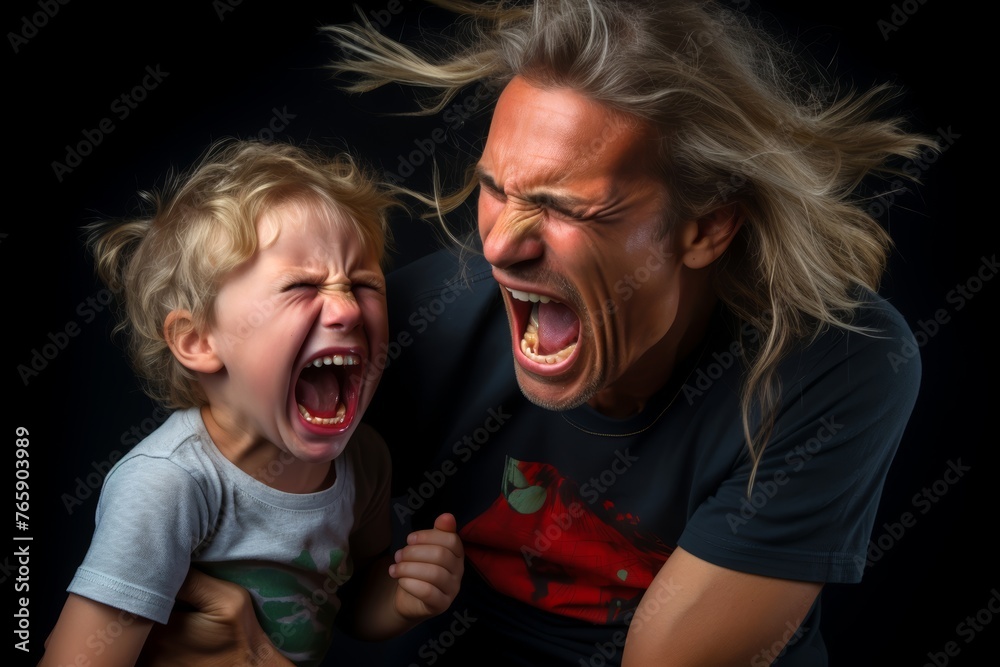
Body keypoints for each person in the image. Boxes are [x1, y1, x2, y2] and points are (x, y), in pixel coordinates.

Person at [139, 1, 937, 664]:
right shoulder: (421, 326)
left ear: (706, 226)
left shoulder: (837, 363)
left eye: (563, 207)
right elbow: (209, 504)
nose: (500, 245)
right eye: (495, 190)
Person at [39, 140, 464, 667]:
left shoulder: (365, 459)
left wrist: (402, 596)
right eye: (301, 285)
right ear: (198, 341)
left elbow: (346, 605)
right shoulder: (167, 485)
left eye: (362, 283)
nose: (347, 308)